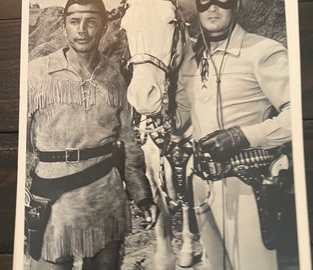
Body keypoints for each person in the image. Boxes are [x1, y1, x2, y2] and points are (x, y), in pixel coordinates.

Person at [25, 0, 157, 269]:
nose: (82, 30)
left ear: (104, 27)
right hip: (52, 203)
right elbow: (22, 146)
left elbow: (129, 142)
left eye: (91, 21)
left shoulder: (115, 76)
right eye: (74, 22)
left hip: (104, 200)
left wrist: (142, 195)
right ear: (64, 27)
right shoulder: (36, 73)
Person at [174, 0, 296, 269]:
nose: (213, 7)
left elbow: (297, 116)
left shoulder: (263, 52)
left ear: (237, 4)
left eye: (223, 0)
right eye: (205, 1)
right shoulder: (190, 61)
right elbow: (181, 119)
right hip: (202, 186)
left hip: (248, 184)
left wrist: (243, 136)